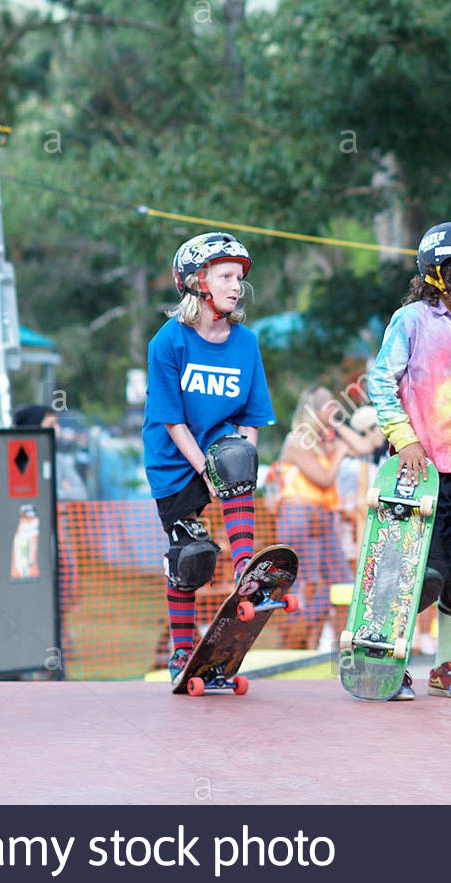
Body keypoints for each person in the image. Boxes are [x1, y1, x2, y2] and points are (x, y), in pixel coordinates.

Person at [367, 220, 451, 700]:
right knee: (420, 576)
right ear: (438, 273)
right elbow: (380, 383)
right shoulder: (410, 322)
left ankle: (445, 667)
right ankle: (392, 661)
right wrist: (403, 440)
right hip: (418, 473)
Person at [141, 232, 276, 688]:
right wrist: (205, 471)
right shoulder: (168, 343)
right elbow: (171, 422)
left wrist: (240, 473)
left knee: (239, 456)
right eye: (225, 276)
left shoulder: (245, 343)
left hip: (219, 444)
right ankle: (182, 651)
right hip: (174, 462)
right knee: (193, 557)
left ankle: (244, 568)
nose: (236, 286)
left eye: (238, 277)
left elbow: (251, 420)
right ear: (198, 282)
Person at [271, 386, 374, 650]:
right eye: (329, 405)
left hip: (323, 516)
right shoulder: (297, 441)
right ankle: (296, 643)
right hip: (299, 515)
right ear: (314, 411)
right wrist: (339, 453)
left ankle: (326, 645)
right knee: (309, 584)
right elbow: (324, 478)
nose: (335, 409)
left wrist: (338, 427)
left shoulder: (324, 440)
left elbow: (367, 444)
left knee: (339, 580)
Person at [13, 403, 88, 499]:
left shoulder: (57, 459)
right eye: (51, 424)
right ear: (35, 429)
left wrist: (52, 494)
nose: (58, 429)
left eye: (57, 424)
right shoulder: (16, 460)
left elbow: (81, 493)